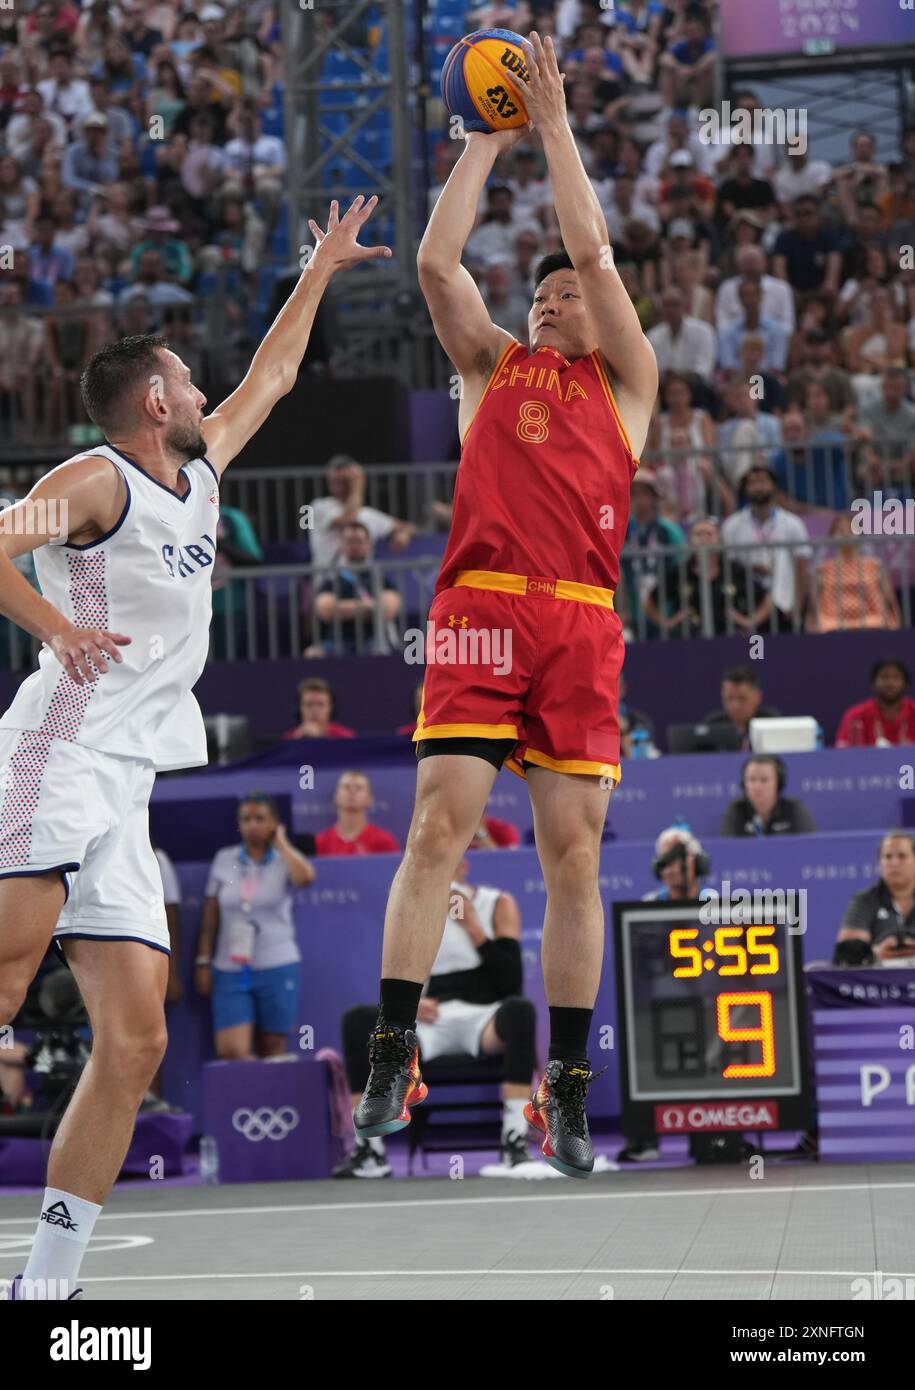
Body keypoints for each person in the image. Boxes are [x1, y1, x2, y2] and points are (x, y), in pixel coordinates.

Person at [0, 193, 388, 1302]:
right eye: (190, 378)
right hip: (58, 750)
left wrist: (316, 272)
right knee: (9, 978)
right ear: (155, 398)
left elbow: (271, 374)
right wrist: (60, 627)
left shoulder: (202, 466)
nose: (210, 391)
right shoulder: (94, 481)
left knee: (132, 1043)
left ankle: (47, 1286)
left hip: (127, 785)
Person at [354, 33, 659, 1181]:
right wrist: (483, 140)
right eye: (537, 293)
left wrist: (556, 126)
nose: (548, 299)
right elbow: (439, 265)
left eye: (565, 294)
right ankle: (394, 1048)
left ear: (599, 314)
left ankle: (567, 1090)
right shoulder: (490, 370)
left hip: (580, 617)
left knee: (572, 859)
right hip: (480, 605)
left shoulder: (629, 387)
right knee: (438, 822)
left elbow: (590, 239)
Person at [335, 852, 532, 1177]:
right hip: (428, 1022)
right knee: (358, 1019)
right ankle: (370, 1149)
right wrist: (413, 1006)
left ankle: (515, 1142)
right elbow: (401, 976)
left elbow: (512, 983)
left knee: (521, 1012)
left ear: (464, 866)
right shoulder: (413, 906)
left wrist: (474, 929)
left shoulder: (497, 903)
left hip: (482, 1019)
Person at [196, 794, 315, 1060]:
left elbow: (306, 878)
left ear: (274, 822)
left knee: (273, 1045)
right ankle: (252, 1092)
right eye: (246, 819)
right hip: (230, 966)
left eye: (260, 819)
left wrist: (281, 843)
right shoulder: (224, 858)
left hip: (277, 962)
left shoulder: (285, 858)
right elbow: (210, 914)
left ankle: (272, 1099)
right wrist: (202, 960)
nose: (252, 825)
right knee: (231, 1049)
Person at [720, 464, 811, 629]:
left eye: (763, 481)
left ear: (774, 486)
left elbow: (802, 566)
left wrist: (797, 605)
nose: (758, 487)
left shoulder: (792, 524)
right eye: (752, 483)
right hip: (748, 599)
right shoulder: (732, 525)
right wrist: (751, 569)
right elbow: (728, 567)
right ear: (746, 489)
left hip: (785, 598)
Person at [309, 455, 415, 576]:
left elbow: (408, 526)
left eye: (343, 480)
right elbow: (349, 518)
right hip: (329, 586)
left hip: (363, 585)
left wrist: (404, 533)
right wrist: (358, 485)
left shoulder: (368, 514)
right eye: (335, 480)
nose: (338, 483)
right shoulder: (318, 507)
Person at [311, 520, 402, 656]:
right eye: (349, 541)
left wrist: (342, 609)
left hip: (373, 641)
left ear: (369, 545)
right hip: (337, 642)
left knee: (380, 652)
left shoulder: (379, 578)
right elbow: (326, 611)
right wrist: (369, 607)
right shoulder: (332, 579)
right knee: (313, 654)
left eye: (358, 541)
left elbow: (389, 609)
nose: (354, 546)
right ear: (342, 546)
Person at [806, 513, 901, 635]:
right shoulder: (822, 569)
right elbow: (812, 606)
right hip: (831, 625)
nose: (846, 533)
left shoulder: (875, 566)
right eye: (840, 530)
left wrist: (897, 628)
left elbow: (891, 603)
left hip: (874, 623)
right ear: (832, 536)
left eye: (851, 529)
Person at [834, 832, 915, 965]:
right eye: (887, 857)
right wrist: (874, 954)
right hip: (879, 980)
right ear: (880, 863)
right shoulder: (864, 901)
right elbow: (846, 954)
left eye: (902, 856)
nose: (894, 863)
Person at [719, 755, 816, 836]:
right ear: (744, 783)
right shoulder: (736, 810)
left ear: (778, 783)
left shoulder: (793, 808)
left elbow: (811, 846)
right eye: (752, 780)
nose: (757, 787)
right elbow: (727, 850)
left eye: (764, 780)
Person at [315, 770, 400, 857]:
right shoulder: (321, 842)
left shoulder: (384, 841)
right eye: (346, 787)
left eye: (359, 788)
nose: (352, 791)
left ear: (370, 799)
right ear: (336, 796)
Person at [835, 659, 915, 748]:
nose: (890, 683)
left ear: (906, 684)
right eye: (884, 677)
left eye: (896, 678)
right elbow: (842, 751)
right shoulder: (856, 715)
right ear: (873, 683)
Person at [703, 667, 782, 751]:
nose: (735, 706)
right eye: (730, 698)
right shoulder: (713, 725)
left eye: (742, 698)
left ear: (758, 697)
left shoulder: (771, 723)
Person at [284, 676, 355, 739]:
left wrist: (320, 737)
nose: (314, 710)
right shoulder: (289, 739)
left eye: (320, 704)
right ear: (299, 708)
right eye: (309, 704)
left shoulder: (345, 737)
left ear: (330, 708)